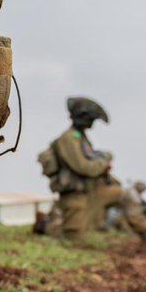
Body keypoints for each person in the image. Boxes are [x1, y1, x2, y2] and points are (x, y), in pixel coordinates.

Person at [45, 97, 120, 241]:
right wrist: (103, 164)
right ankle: (45, 226)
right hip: (74, 194)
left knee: (120, 194)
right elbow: (83, 167)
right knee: (72, 235)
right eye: (91, 119)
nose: (92, 123)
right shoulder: (68, 138)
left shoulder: (80, 137)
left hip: (86, 191)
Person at [118, 181, 146, 248]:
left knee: (144, 230)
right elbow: (123, 201)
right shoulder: (131, 192)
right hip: (133, 215)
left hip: (135, 215)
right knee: (145, 230)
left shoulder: (135, 193)